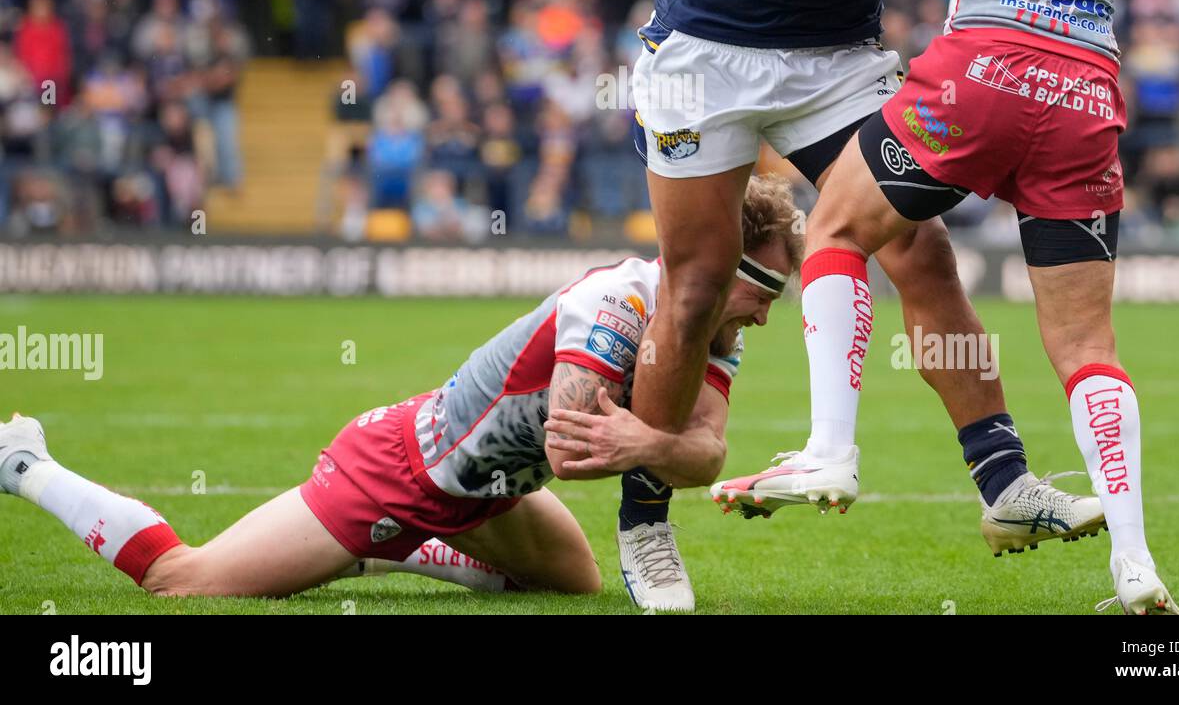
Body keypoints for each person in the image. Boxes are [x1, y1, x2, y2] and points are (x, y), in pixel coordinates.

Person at [621, 0, 1103, 610]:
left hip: (834, 60)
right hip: (708, 55)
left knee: (919, 251)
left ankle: (1004, 479)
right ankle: (644, 515)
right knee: (699, 281)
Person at [698, 0, 1179, 615]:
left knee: (836, 227)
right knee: (1087, 344)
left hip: (985, 69)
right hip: (1086, 90)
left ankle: (830, 451)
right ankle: (1135, 567)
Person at [0, 176, 798, 610]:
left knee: (576, 584)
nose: (768, 315)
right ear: (722, 265)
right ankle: (25, 463)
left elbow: (704, 450)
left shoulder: (712, 334)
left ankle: (406, 551)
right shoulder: (617, 304)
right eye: (765, 289)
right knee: (184, 580)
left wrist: (662, 450)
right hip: (396, 473)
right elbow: (572, 447)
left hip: (485, 490)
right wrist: (665, 450)